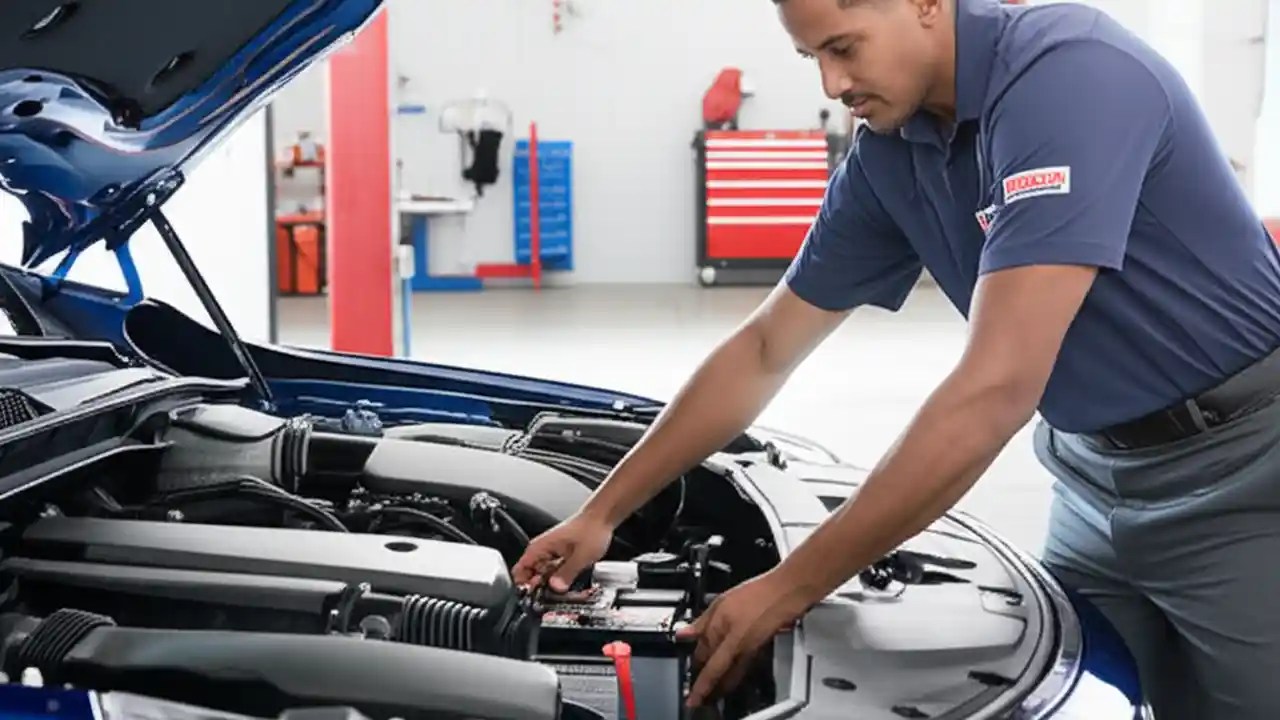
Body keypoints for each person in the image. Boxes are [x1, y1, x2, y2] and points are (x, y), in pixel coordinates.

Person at [512, 0, 1280, 717]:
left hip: (1242, 475)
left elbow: (996, 389)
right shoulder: (893, 151)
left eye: (844, 48)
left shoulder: (1069, 78)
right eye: (811, 55)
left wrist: (790, 586)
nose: (833, 83)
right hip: (1091, 476)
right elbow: (766, 345)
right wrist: (603, 512)